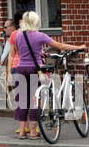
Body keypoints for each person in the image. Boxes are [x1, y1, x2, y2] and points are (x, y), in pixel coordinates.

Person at [8, 10, 83, 139]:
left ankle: (21, 132)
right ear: (35, 22)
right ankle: (32, 132)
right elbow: (59, 45)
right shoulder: (40, 36)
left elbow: (21, 52)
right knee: (34, 101)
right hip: (34, 69)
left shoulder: (18, 35)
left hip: (20, 68)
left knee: (22, 101)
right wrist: (77, 47)